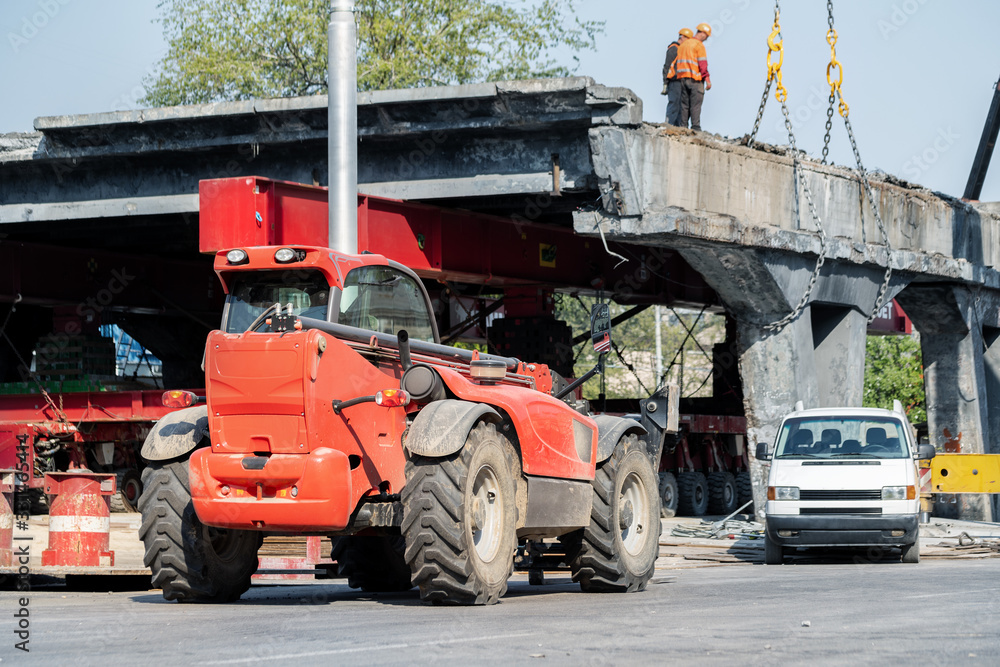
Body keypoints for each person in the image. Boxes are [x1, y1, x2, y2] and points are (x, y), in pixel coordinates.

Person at [666, 22, 712, 131]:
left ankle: (683, 127)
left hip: (683, 80)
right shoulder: (698, 45)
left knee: (684, 105)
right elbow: (702, 64)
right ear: (703, 34)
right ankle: (695, 127)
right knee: (695, 105)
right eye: (707, 36)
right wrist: (707, 79)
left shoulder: (683, 45)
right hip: (696, 80)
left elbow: (675, 64)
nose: (706, 38)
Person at [662, 28, 693, 125]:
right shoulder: (674, 48)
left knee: (682, 106)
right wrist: (665, 83)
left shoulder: (682, 50)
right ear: (682, 37)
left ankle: (678, 126)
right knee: (674, 103)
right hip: (674, 81)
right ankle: (669, 125)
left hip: (682, 81)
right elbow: (667, 66)